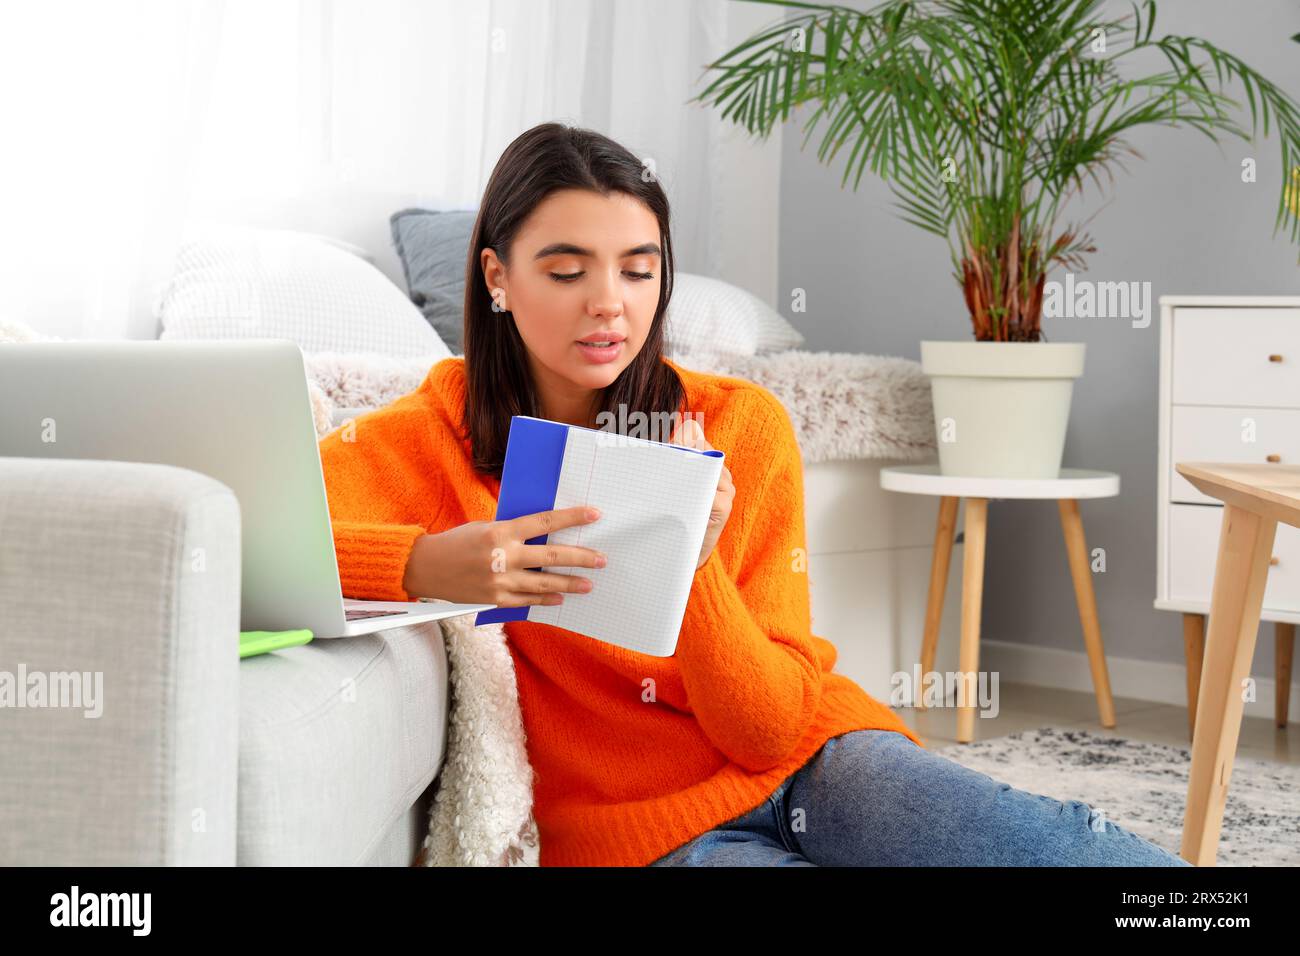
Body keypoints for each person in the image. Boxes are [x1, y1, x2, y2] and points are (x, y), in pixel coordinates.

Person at [318, 121, 1191, 868]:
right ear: (498, 279)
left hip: (818, 760)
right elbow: (230, 540)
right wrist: (425, 563)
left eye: (637, 269)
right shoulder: (427, 438)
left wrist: (687, 559)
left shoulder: (741, 422)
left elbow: (769, 729)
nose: (609, 306)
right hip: (645, 830)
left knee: (1062, 848)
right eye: (566, 269)